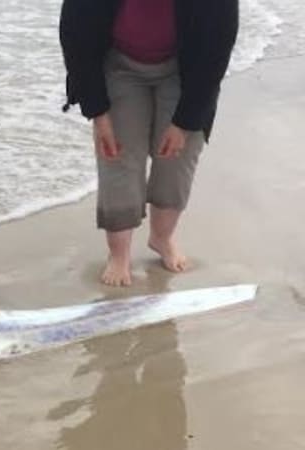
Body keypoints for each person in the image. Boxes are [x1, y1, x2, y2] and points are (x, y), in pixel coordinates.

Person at [59, 0, 239, 286]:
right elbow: (76, 36)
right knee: (117, 155)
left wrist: (185, 122)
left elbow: (215, 51)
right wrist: (98, 113)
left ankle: (161, 238)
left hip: (185, 64)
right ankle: (119, 254)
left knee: (178, 156)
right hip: (119, 63)